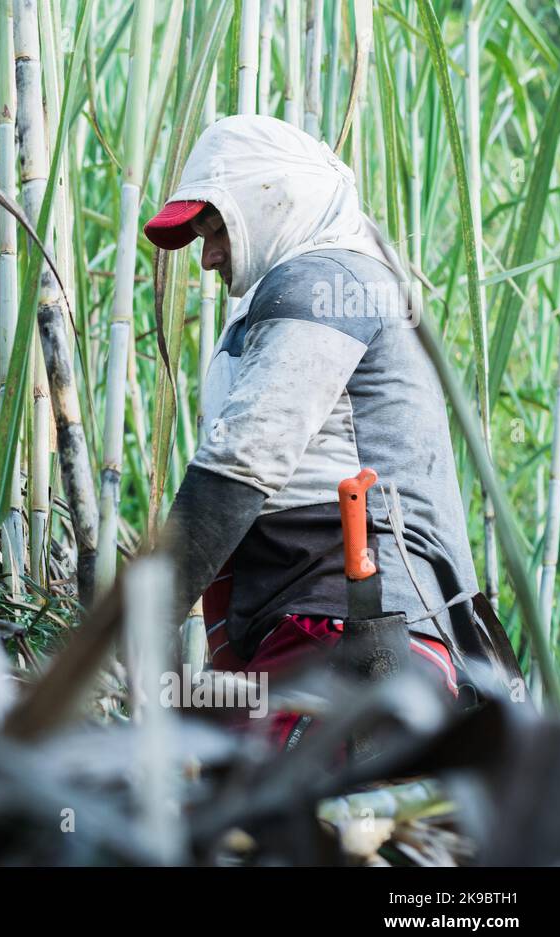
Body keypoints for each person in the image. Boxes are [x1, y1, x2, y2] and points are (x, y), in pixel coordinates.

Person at [144, 115, 484, 754]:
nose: (209, 254)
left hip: (352, 637)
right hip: (285, 641)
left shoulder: (330, 282)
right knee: (174, 725)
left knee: (247, 795)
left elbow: (244, 459)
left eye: (215, 226)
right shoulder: (290, 295)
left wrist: (142, 614)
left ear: (280, 194)